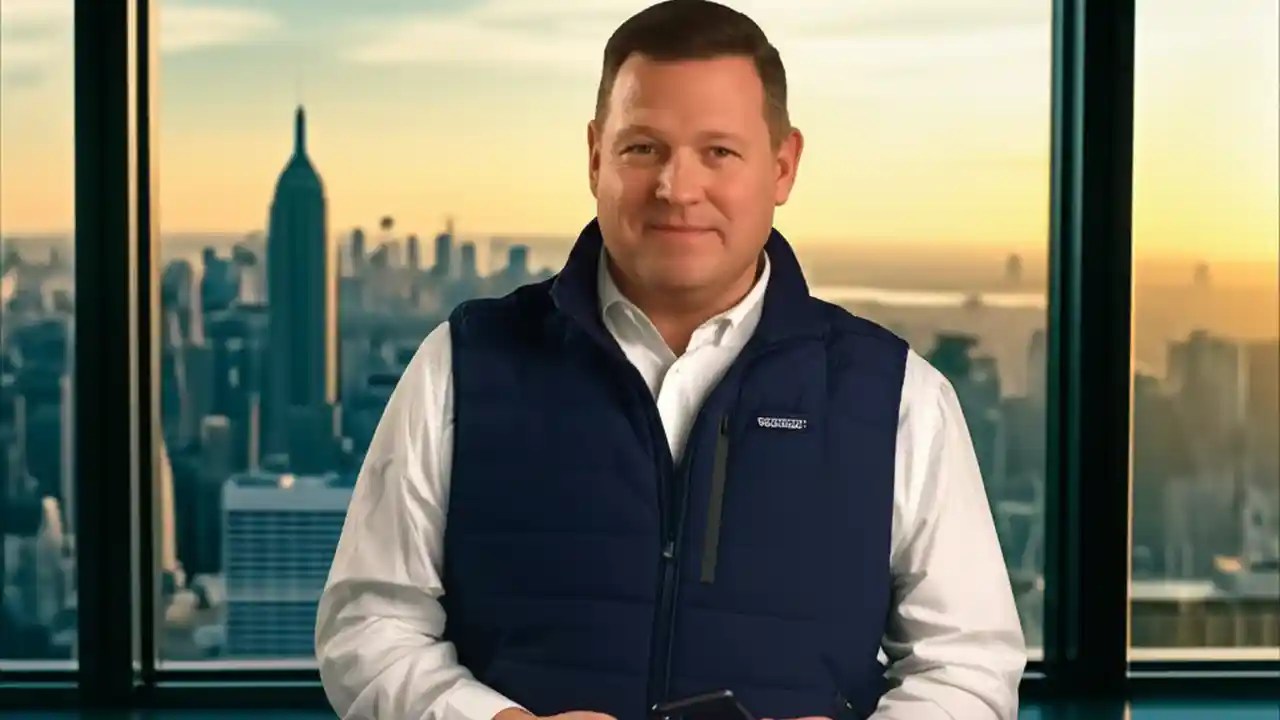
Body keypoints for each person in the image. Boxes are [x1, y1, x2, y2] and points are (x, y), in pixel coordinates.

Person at [315, 1, 1026, 719]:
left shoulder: (896, 397)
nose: (677, 189)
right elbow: (369, 628)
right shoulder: (464, 365)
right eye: (643, 148)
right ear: (596, 156)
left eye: (718, 152)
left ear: (783, 167)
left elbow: (966, 668)